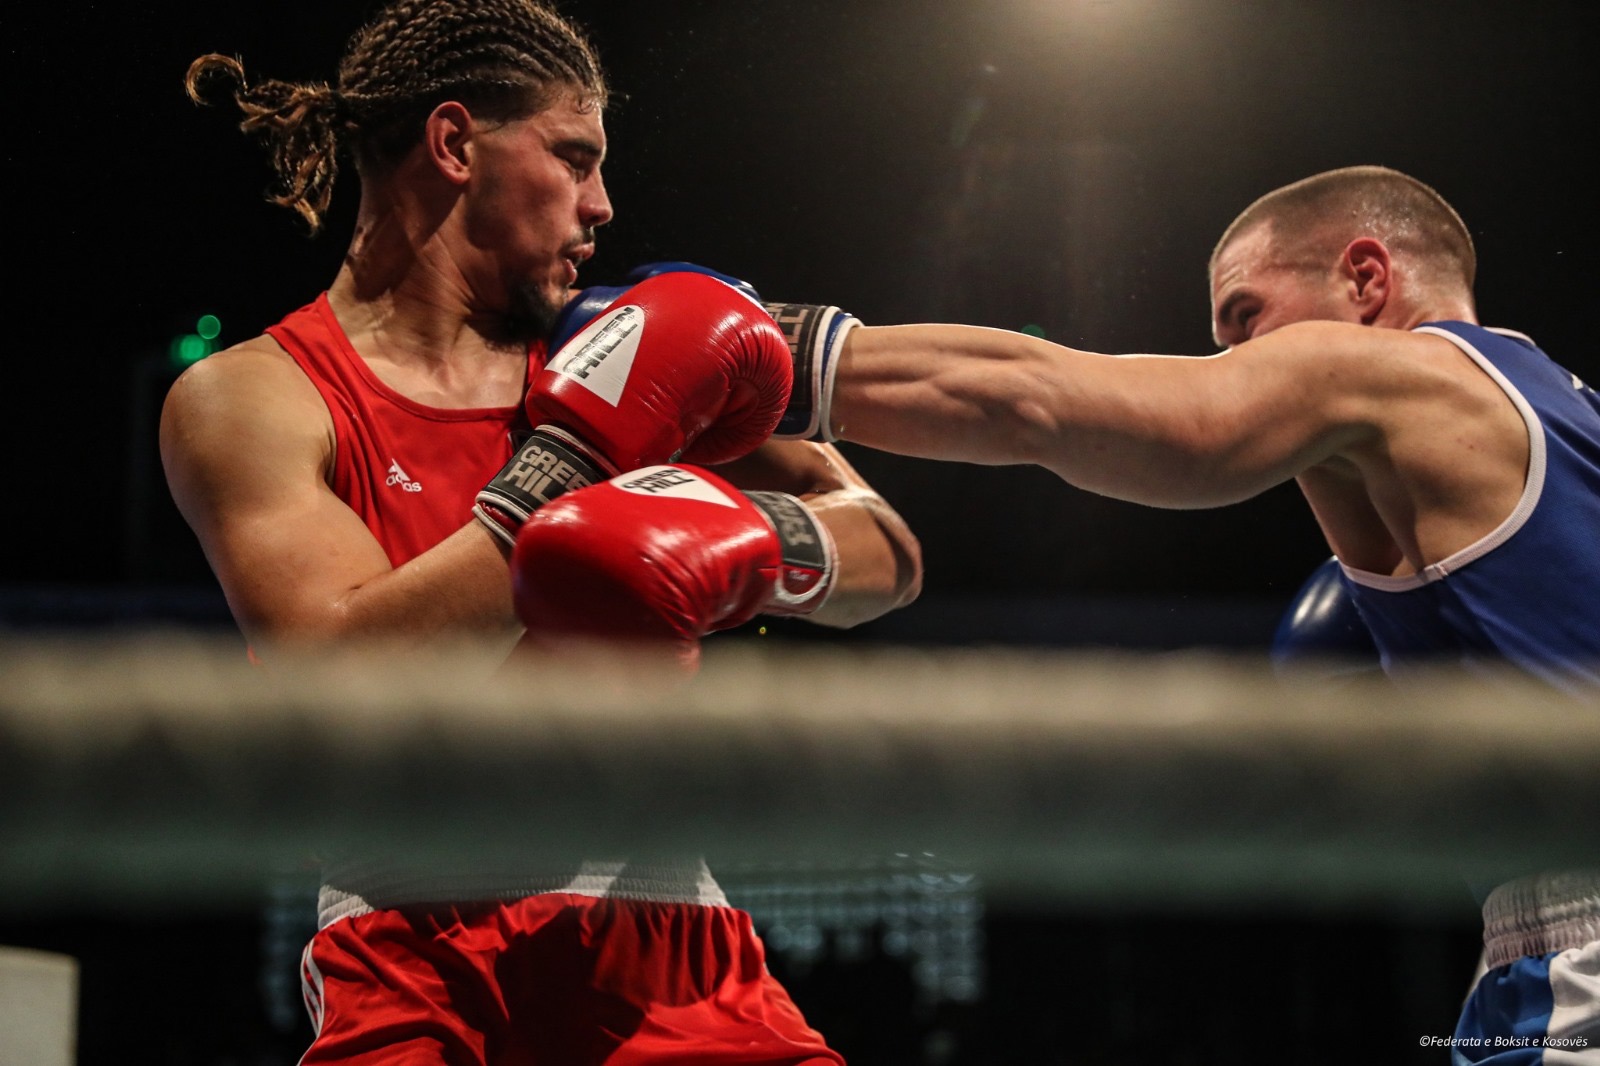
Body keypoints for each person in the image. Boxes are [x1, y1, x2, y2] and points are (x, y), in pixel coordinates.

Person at [161, 2, 921, 1062]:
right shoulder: (256, 395)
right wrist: (572, 472)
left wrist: (753, 538)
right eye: (575, 156)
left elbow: (887, 549)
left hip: (660, 935)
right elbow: (335, 663)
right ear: (456, 143)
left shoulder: (630, 344)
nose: (604, 203)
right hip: (411, 947)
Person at [786, 165, 1599, 1060]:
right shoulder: (1565, 409)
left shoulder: (1402, 371)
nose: (1233, 359)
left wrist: (769, 360)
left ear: (1366, 280)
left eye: (1247, 316)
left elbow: (1039, 396)